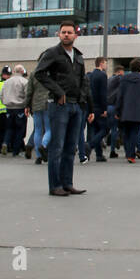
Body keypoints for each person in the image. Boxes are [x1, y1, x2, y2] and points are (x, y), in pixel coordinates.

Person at [34, 21, 94, 197]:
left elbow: (83, 79)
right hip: (59, 105)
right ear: (59, 34)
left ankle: (67, 183)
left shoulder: (79, 56)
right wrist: (58, 91)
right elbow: (39, 73)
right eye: (63, 32)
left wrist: (85, 102)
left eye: (69, 32)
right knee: (57, 146)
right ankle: (55, 185)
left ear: (75, 35)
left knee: (70, 146)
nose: (66, 35)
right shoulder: (52, 53)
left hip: (76, 105)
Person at [115, 59, 140, 162]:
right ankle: (131, 155)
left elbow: (120, 95)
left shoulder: (124, 79)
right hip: (139, 110)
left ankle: (128, 153)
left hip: (126, 109)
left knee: (126, 132)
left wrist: (117, 110)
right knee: (134, 132)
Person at [0, 65, 28, 156]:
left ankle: (5, 143)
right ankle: (15, 151)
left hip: (9, 108)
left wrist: (5, 103)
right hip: (20, 108)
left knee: (9, 128)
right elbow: (27, 95)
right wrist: (27, 106)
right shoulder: (24, 81)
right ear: (22, 71)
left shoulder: (7, 82)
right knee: (19, 130)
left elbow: (1, 95)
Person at [86, 56, 110, 162]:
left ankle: (99, 155)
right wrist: (105, 108)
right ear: (101, 63)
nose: (106, 65)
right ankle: (89, 145)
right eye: (105, 63)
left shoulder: (90, 75)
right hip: (99, 107)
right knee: (105, 129)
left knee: (95, 130)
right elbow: (103, 93)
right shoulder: (102, 75)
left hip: (91, 106)